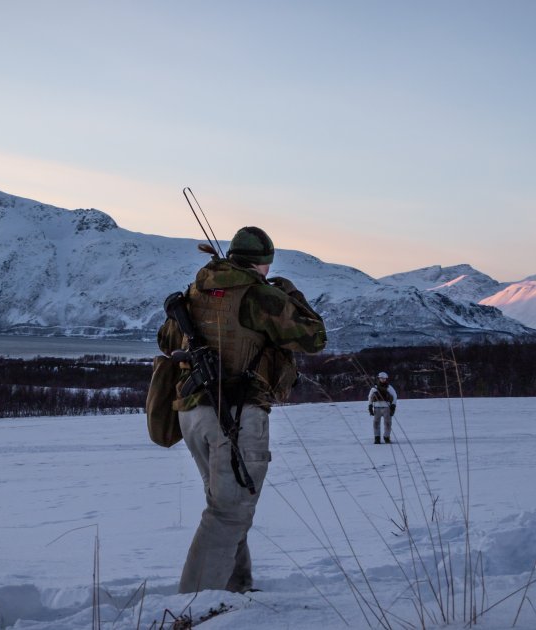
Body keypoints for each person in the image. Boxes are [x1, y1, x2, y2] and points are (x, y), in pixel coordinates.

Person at [158, 226, 327, 594]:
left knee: (225, 506)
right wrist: (288, 293)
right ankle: (196, 605)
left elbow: (166, 339)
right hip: (235, 415)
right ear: (262, 263)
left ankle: (236, 590)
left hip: (190, 412)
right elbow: (314, 337)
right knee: (229, 512)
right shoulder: (261, 296)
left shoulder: (196, 290)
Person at [367, 371, 398, 444]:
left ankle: (386, 437)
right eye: (381, 378)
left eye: (384, 378)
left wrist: (393, 406)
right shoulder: (374, 388)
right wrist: (370, 406)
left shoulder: (389, 387)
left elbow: (394, 396)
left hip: (387, 408)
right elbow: (370, 397)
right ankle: (377, 438)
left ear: (386, 379)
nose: (383, 380)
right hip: (377, 408)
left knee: (388, 423)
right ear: (379, 378)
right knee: (376, 423)